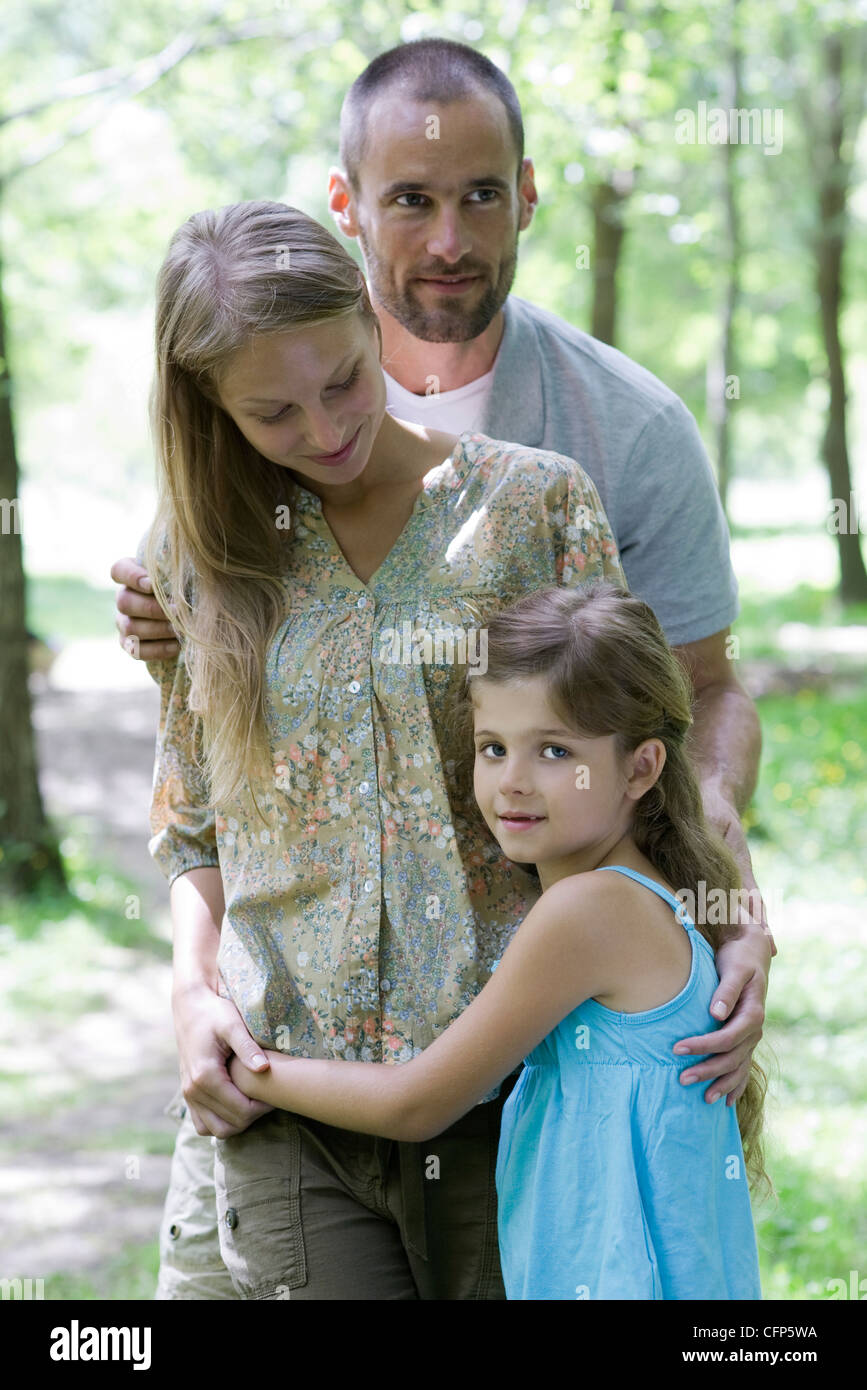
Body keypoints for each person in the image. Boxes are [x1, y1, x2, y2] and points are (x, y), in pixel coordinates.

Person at [116, 38, 772, 1298]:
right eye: (273, 414)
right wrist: (192, 998)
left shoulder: (547, 497)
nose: (324, 429)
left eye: (344, 383)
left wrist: (737, 920)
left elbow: (653, 747)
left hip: (512, 1080)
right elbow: (194, 820)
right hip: (288, 1094)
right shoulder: (198, 555)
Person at [227, 581, 768, 1300]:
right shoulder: (640, 894)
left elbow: (418, 1104)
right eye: (491, 747)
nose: (511, 782)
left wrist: (246, 1067)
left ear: (640, 768)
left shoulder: (588, 910)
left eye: (552, 750)